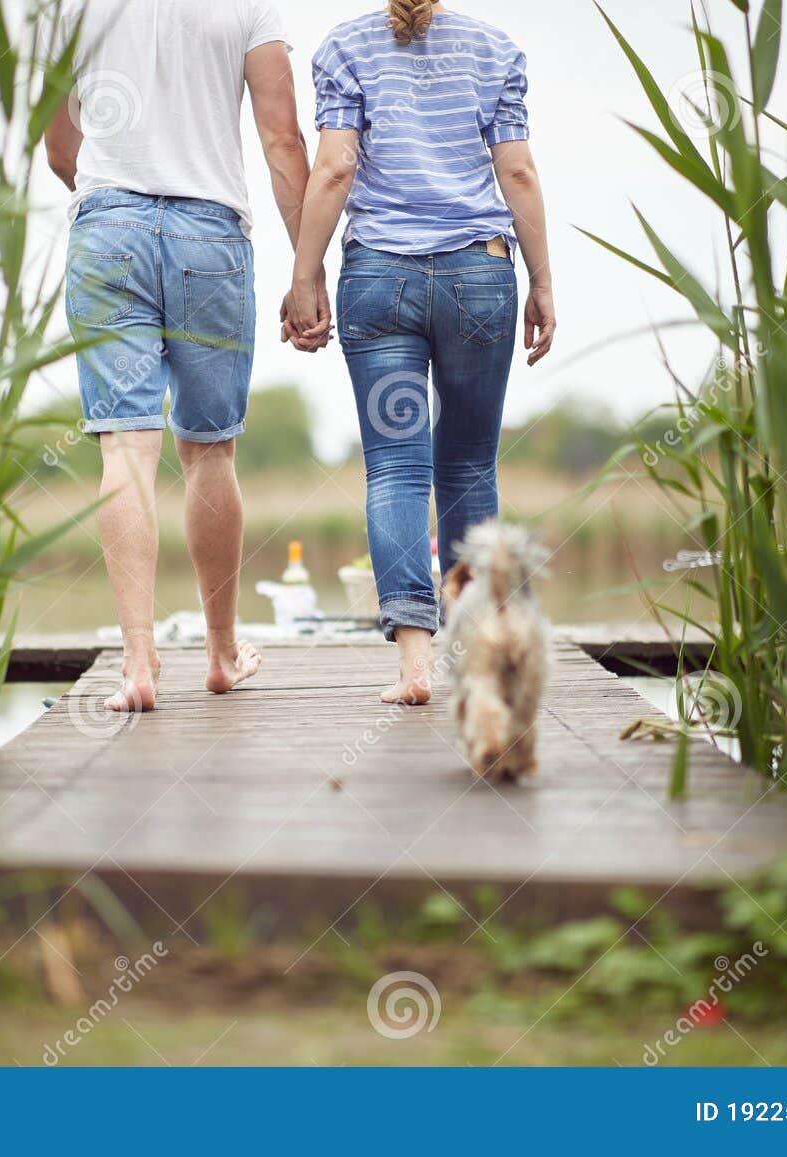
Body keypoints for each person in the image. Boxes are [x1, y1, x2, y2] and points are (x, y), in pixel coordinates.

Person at [45, 0, 323, 713]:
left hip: (108, 226)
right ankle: (222, 652)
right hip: (210, 232)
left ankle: (138, 663)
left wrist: (115, 202)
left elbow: (55, 145)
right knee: (209, 450)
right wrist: (307, 271)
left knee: (125, 449)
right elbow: (283, 140)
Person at [285, 0, 556, 705]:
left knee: (396, 467)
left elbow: (336, 167)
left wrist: (305, 274)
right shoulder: (496, 49)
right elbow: (518, 174)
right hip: (479, 275)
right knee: (468, 462)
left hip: (379, 280)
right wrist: (543, 279)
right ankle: (481, 651)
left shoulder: (345, 47)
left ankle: (413, 666)